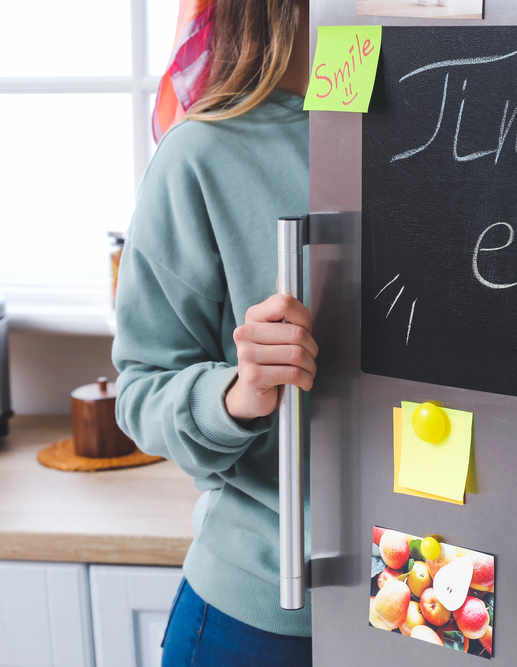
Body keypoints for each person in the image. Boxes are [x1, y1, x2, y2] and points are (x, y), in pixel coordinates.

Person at [111, 0, 315, 664]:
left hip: (457, 595)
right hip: (261, 615)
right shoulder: (203, 152)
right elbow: (140, 390)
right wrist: (237, 393)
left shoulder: (469, 130)